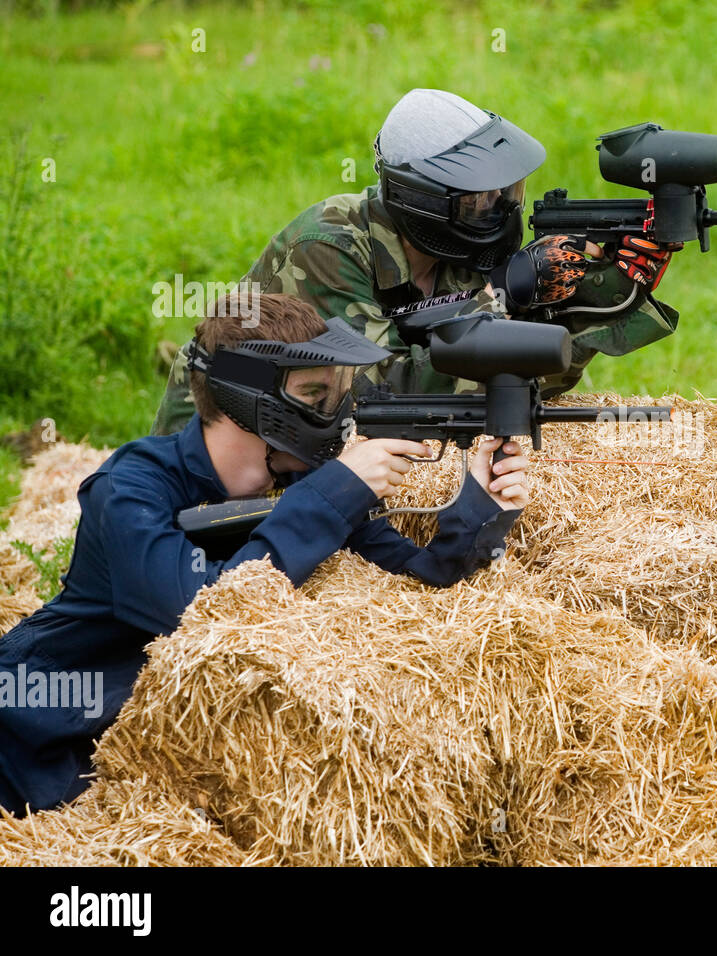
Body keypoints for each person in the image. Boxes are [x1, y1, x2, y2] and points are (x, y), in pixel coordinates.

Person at [0, 293, 529, 816]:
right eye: (314, 393)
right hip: (40, 742)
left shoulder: (306, 478)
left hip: (187, 760)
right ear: (248, 399)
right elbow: (207, 614)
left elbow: (413, 583)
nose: (335, 410)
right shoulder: (130, 488)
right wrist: (335, 492)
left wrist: (480, 506)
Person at [151, 89, 681, 436]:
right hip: (221, 457)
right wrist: (504, 294)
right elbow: (381, 397)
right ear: (423, 200)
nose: (501, 209)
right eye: (481, 198)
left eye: (506, 192)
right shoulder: (325, 247)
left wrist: (595, 296)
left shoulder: (459, 256)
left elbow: (502, 388)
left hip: (309, 439)